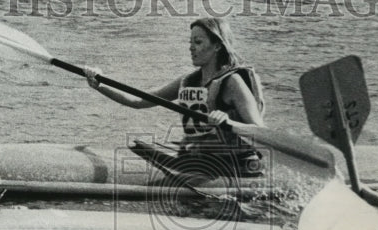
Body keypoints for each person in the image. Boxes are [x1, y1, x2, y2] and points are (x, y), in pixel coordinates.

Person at [84, 17, 266, 182]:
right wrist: (99, 84)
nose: (191, 47)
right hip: (202, 160)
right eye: (190, 42)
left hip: (236, 165)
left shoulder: (232, 82)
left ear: (217, 46)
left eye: (198, 42)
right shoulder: (188, 81)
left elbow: (259, 131)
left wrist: (228, 121)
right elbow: (138, 101)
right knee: (139, 147)